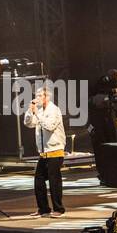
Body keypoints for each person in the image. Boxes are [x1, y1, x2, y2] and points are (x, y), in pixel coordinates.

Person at [24, 86, 66, 218]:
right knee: (39, 180)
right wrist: (30, 111)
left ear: (47, 97)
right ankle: (43, 208)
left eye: (40, 95)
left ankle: (59, 209)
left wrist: (37, 114)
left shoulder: (54, 110)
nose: (37, 98)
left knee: (54, 181)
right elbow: (28, 123)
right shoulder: (40, 111)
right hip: (43, 152)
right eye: (36, 95)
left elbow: (50, 126)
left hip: (55, 150)